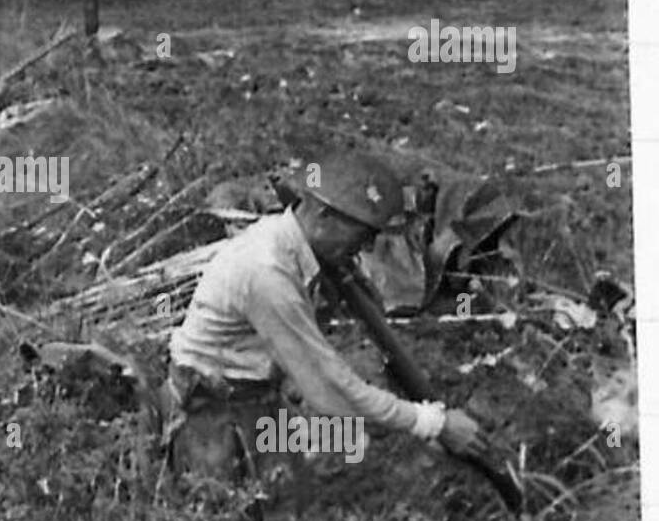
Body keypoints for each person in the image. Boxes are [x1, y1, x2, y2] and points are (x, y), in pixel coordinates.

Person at [161, 149, 484, 489]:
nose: (368, 246)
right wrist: (431, 423)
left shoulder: (292, 241)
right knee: (236, 519)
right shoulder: (267, 272)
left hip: (252, 394)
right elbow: (328, 387)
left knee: (304, 491)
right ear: (325, 216)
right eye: (363, 234)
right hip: (212, 413)